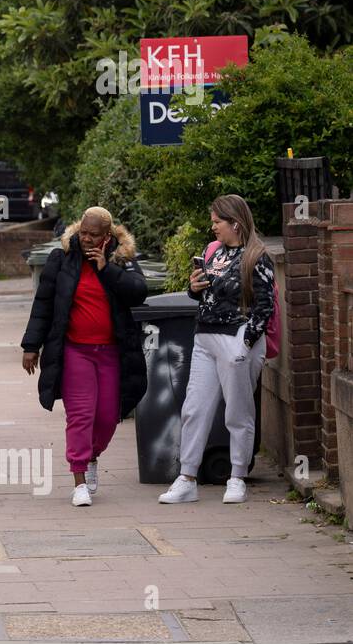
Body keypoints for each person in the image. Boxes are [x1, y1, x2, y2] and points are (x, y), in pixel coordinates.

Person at [21, 207, 148, 506]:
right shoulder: (61, 258)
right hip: (75, 351)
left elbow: (138, 292)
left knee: (107, 417)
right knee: (81, 415)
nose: (87, 239)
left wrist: (107, 268)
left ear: (107, 236)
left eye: (94, 235)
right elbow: (43, 305)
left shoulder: (121, 259)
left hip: (111, 353)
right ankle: (78, 479)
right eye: (84, 233)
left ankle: (92, 457)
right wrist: (31, 346)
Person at [159, 195, 275, 506]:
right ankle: (187, 478)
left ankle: (237, 476)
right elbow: (207, 295)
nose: (212, 227)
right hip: (205, 337)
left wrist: (246, 343)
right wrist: (194, 288)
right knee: (194, 409)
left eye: (217, 222)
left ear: (235, 223)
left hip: (236, 338)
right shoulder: (213, 252)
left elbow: (265, 307)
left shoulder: (257, 256)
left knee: (238, 412)